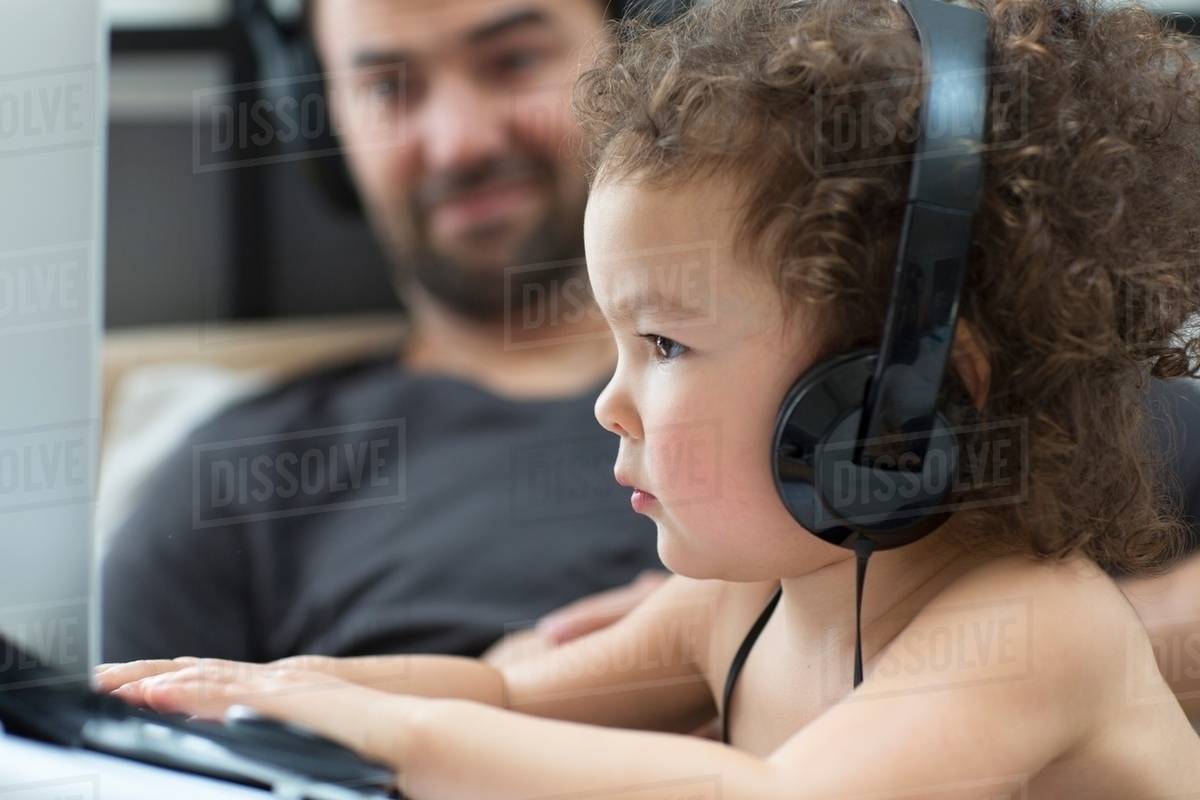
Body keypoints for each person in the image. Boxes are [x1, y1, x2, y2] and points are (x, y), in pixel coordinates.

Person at [97, 0, 1200, 795]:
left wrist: (399, 740)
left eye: (664, 344)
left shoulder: (1032, 630)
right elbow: (509, 695)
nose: (607, 404)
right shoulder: (746, 599)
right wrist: (288, 687)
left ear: (904, 391)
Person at [100, 0, 673, 663]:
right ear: (319, 121)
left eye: (514, 61)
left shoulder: (774, 392)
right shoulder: (234, 482)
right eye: (388, 89)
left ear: (641, 54)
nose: (461, 143)